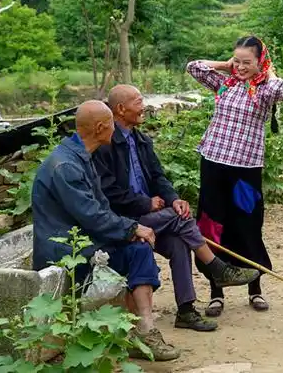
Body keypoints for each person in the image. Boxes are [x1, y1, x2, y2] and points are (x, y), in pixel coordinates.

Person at [92, 85, 261, 332]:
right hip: (124, 220)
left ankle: (186, 310)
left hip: (151, 216)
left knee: (179, 240)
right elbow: (108, 192)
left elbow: (158, 177)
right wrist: (146, 203)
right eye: (138, 102)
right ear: (120, 109)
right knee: (179, 219)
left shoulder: (142, 140)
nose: (143, 107)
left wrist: (173, 199)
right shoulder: (105, 144)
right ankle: (217, 267)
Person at [31, 100, 179, 362]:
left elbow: (101, 208)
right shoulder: (66, 166)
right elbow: (91, 215)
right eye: (112, 124)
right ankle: (129, 334)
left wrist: (131, 230)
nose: (116, 130)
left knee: (139, 251)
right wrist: (132, 226)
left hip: (90, 240)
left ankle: (144, 331)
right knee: (136, 245)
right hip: (68, 250)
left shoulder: (82, 157)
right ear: (100, 128)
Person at [186, 36, 283, 317]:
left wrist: (267, 71)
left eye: (247, 62)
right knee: (212, 226)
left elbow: (280, 90)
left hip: (245, 169)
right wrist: (225, 65)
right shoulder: (225, 84)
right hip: (213, 163)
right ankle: (216, 291)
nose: (241, 67)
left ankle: (255, 288)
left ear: (260, 63)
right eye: (237, 61)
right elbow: (194, 67)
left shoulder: (264, 91)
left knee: (247, 225)